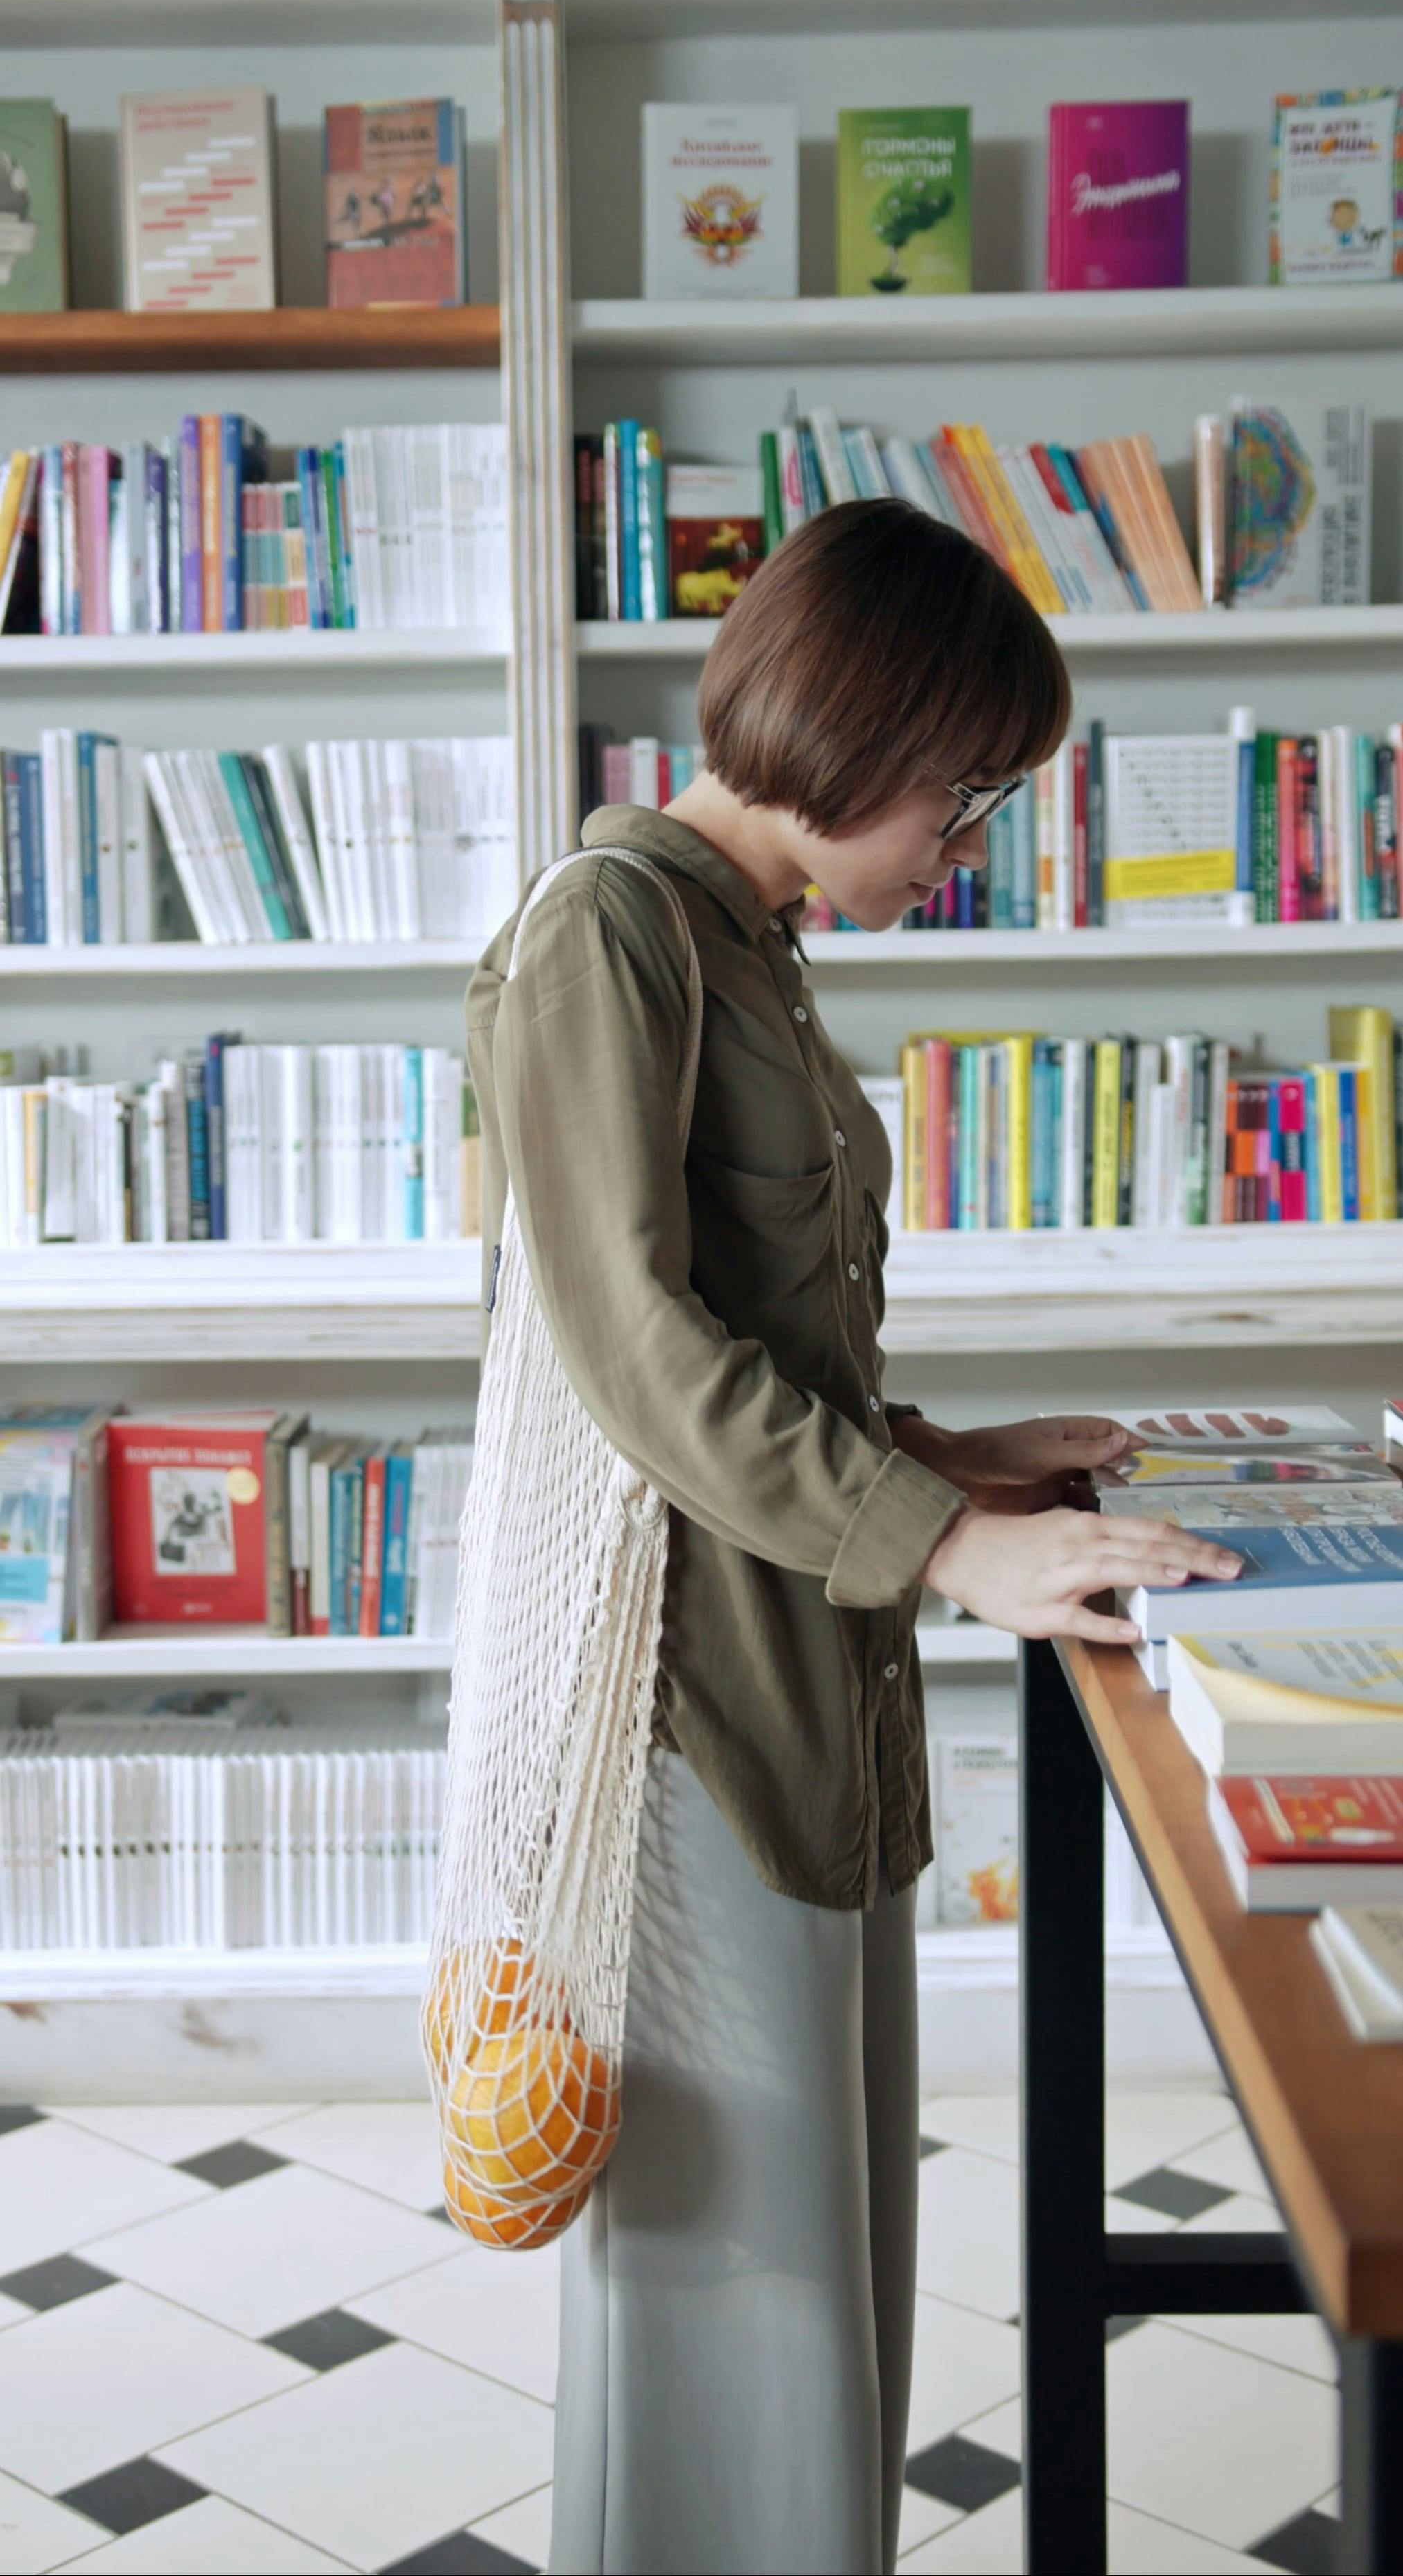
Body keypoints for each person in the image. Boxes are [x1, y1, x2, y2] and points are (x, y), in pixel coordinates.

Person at [465, 498, 1240, 2576]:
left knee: (825, 2274)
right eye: (957, 795)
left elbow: (763, 1344)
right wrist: (947, 1547)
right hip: (691, 1708)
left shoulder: (752, 943)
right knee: (738, 2298)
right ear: (851, 727)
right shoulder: (607, 931)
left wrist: (948, 1461)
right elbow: (633, 1357)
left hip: (812, 1671)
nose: (962, 848)